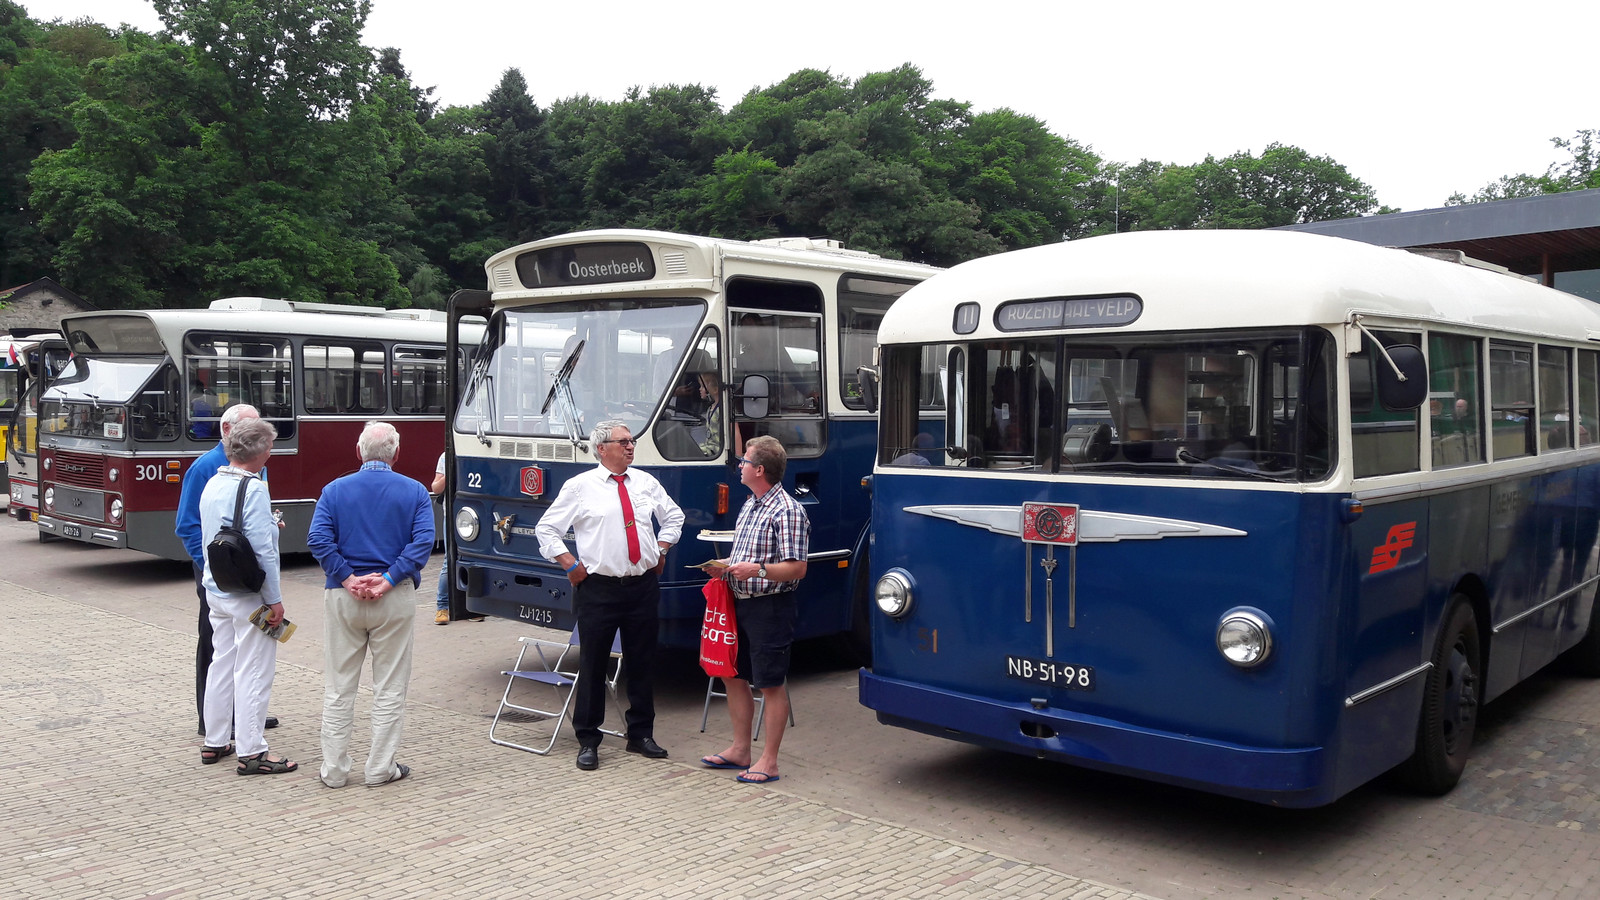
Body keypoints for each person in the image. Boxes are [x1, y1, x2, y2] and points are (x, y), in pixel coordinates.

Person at [535, 420, 685, 771]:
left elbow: (674, 516)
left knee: (642, 662)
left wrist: (662, 547)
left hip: (641, 586)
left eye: (632, 441)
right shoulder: (580, 487)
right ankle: (588, 739)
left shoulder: (645, 482)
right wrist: (570, 564)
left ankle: (641, 734)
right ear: (601, 449)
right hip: (598, 589)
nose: (631, 447)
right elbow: (547, 528)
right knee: (593, 664)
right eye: (623, 442)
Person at [307, 421, 434, 788]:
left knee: (339, 687)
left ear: (358, 451)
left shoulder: (333, 490)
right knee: (390, 686)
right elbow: (422, 543)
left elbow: (318, 539)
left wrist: (347, 578)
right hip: (393, 597)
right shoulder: (415, 492)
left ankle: (333, 771)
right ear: (397, 454)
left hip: (343, 597)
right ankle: (380, 768)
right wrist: (389, 578)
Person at [700, 435, 810, 785]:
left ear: (759, 470)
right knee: (733, 675)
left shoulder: (788, 510)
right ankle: (740, 750)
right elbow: (747, 554)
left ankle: (770, 761)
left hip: (770, 607)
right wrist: (725, 567)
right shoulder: (750, 503)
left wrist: (757, 571)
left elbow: (797, 568)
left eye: (744, 461)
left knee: (770, 684)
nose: (739, 466)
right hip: (739, 602)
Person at [199, 417, 296, 774]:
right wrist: (274, 599)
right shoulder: (253, 488)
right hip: (248, 594)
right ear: (261, 450)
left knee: (222, 663)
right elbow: (263, 551)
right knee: (254, 669)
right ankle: (252, 751)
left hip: (216, 588)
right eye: (270, 446)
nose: (271, 451)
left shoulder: (213, 482)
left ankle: (215, 740)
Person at [176, 403, 279, 736]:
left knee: (231, 654)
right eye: (251, 429)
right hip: (223, 574)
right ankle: (221, 726)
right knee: (225, 652)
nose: (261, 441)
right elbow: (187, 525)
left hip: (231, 574)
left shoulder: (250, 467)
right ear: (227, 430)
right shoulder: (205, 468)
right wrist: (214, 566)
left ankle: (231, 722)